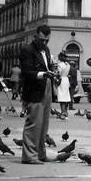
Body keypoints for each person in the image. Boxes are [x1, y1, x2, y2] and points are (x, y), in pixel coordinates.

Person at [19, 25, 56, 164]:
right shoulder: (27, 50)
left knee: (43, 124)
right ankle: (29, 156)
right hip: (34, 89)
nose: (45, 43)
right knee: (33, 123)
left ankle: (40, 154)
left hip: (46, 86)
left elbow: (47, 66)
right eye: (42, 40)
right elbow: (26, 72)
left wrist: (52, 70)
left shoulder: (46, 50)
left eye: (47, 40)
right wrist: (43, 74)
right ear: (36, 36)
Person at [54, 52, 71, 119]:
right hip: (66, 80)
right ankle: (65, 111)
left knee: (61, 97)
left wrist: (55, 75)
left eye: (59, 57)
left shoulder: (60, 65)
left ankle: (63, 112)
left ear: (61, 57)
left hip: (61, 80)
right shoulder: (68, 65)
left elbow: (58, 73)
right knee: (66, 96)